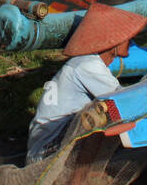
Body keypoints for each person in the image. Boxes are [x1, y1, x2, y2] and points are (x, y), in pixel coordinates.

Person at [25, 29, 132, 165]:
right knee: (98, 121)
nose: (130, 43)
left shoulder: (86, 60)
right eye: (128, 39)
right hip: (45, 154)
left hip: (45, 141)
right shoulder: (88, 66)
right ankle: (75, 184)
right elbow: (121, 98)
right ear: (114, 42)